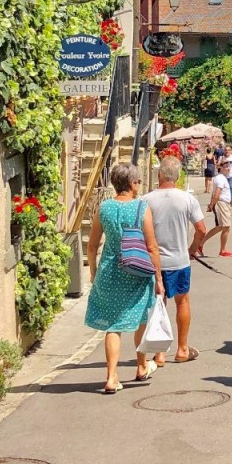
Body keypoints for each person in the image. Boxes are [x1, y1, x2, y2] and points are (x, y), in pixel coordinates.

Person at [85, 162, 163, 393]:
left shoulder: (105, 208)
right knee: (140, 318)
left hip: (110, 271)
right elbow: (152, 247)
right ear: (132, 184)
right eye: (138, 181)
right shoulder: (141, 208)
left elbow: (91, 246)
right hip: (137, 271)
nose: (139, 185)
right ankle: (141, 366)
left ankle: (111, 376)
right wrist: (158, 278)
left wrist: (93, 272)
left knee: (113, 325)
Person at [147, 155, 206, 366]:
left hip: (154, 262)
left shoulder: (146, 200)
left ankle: (159, 353)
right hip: (179, 260)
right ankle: (182, 349)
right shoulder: (187, 199)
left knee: (158, 305)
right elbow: (201, 229)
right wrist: (192, 248)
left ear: (159, 175)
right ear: (178, 176)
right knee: (183, 301)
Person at [193, 158, 232, 258]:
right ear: (220, 167)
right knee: (226, 226)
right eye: (225, 166)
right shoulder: (220, 178)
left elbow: (215, 193)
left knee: (220, 227)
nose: (228, 168)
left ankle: (200, 244)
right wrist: (212, 205)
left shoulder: (222, 178)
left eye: (229, 165)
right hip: (221, 204)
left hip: (223, 203)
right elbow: (217, 194)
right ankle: (222, 250)